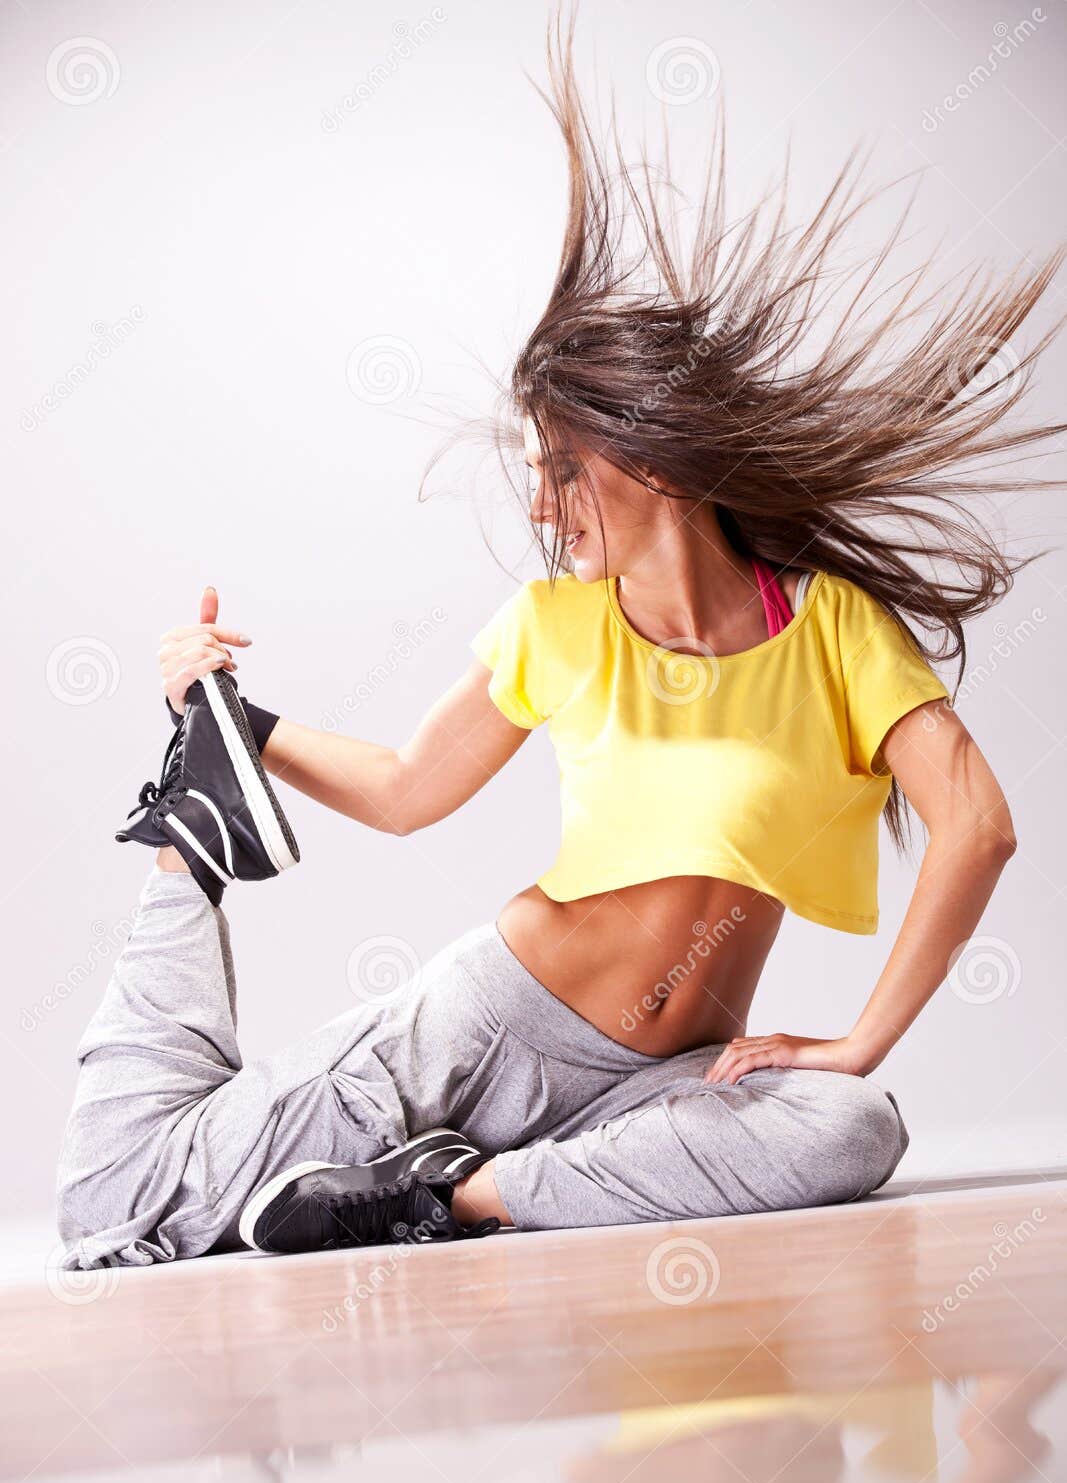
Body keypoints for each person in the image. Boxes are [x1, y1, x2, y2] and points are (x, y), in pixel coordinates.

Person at [57, 21, 1058, 1267]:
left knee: (848, 1127)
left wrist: (860, 1039)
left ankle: (456, 1195)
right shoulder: (555, 626)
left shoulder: (834, 631)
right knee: (118, 1203)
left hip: (657, 1083)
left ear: (650, 458)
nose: (541, 506)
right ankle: (189, 837)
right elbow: (406, 791)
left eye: (561, 470)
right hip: (477, 1034)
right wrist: (236, 721)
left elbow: (977, 825)